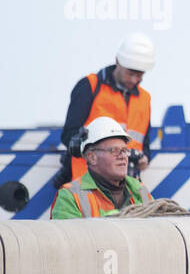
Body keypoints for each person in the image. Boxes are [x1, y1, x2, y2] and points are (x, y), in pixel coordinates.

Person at [57, 33, 154, 187]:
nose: (134, 80)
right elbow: (69, 135)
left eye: (140, 75)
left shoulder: (145, 99)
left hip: (128, 187)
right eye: (130, 73)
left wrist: (145, 158)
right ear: (117, 62)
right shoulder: (90, 86)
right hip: (88, 185)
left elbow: (144, 143)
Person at [50, 117, 153, 218]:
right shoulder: (70, 197)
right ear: (92, 157)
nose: (122, 156)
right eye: (114, 150)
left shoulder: (139, 189)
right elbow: (68, 235)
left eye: (124, 150)